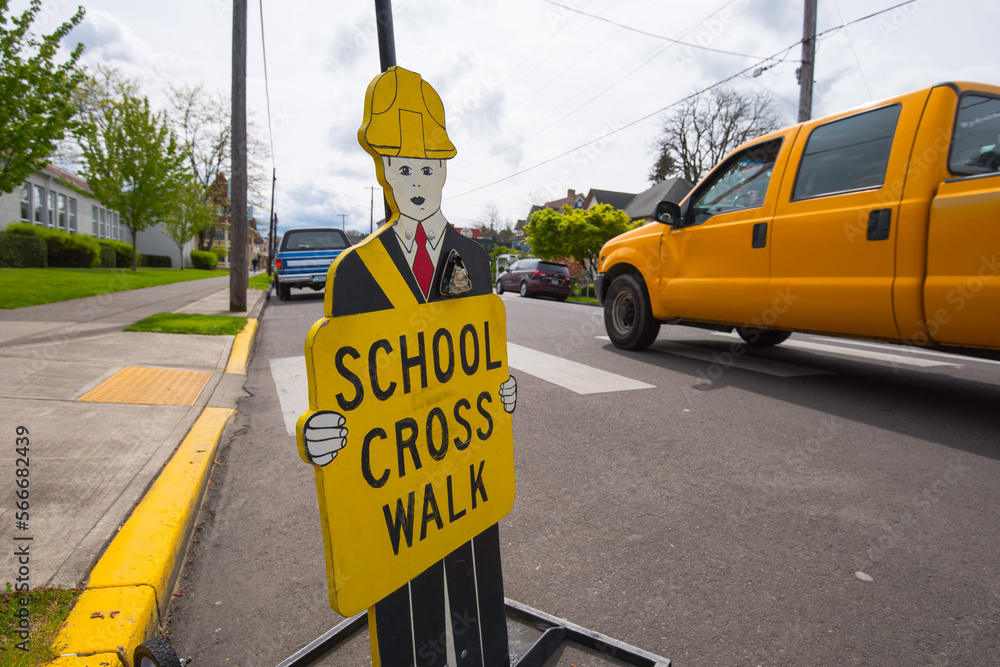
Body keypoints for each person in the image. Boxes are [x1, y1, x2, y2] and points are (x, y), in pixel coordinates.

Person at [299, 66, 516, 666]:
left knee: (476, 588)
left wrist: (501, 391)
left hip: (464, 476)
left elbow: (484, 360)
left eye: (427, 168)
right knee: (399, 599)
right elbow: (338, 396)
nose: (416, 182)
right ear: (384, 173)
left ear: (444, 171)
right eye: (403, 169)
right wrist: (315, 436)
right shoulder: (357, 270)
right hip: (396, 492)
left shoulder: (472, 256)